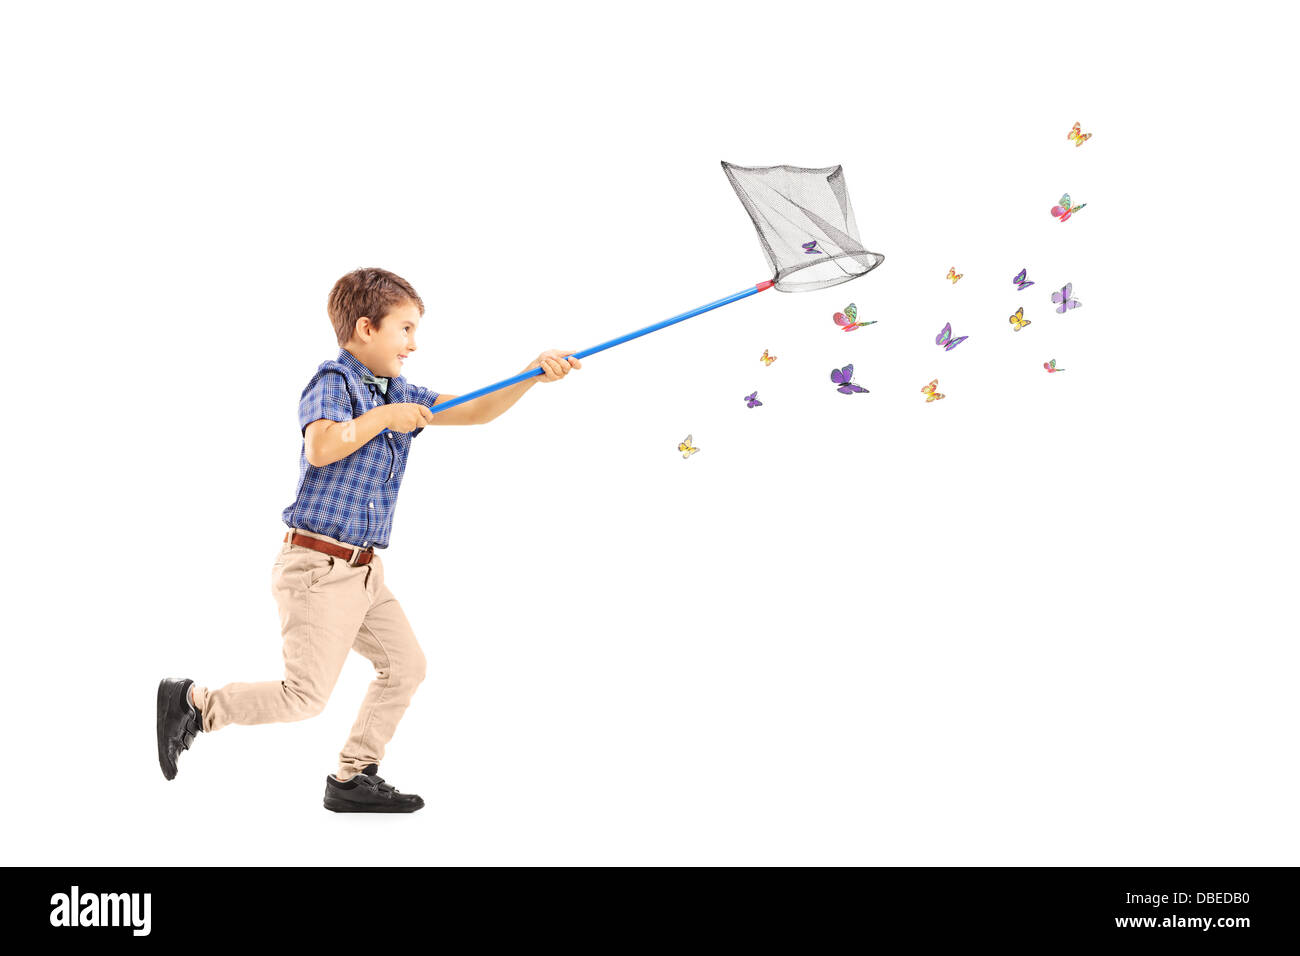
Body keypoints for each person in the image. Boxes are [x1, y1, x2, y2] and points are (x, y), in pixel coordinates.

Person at [157, 267, 581, 812]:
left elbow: (475, 409)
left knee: (405, 666)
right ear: (365, 328)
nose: (413, 343)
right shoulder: (334, 382)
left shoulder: (400, 392)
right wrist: (384, 418)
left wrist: (529, 376)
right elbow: (322, 447)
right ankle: (195, 702)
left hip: (363, 571)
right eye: (404, 329)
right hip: (316, 565)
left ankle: (352, 778)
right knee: (303, 698)